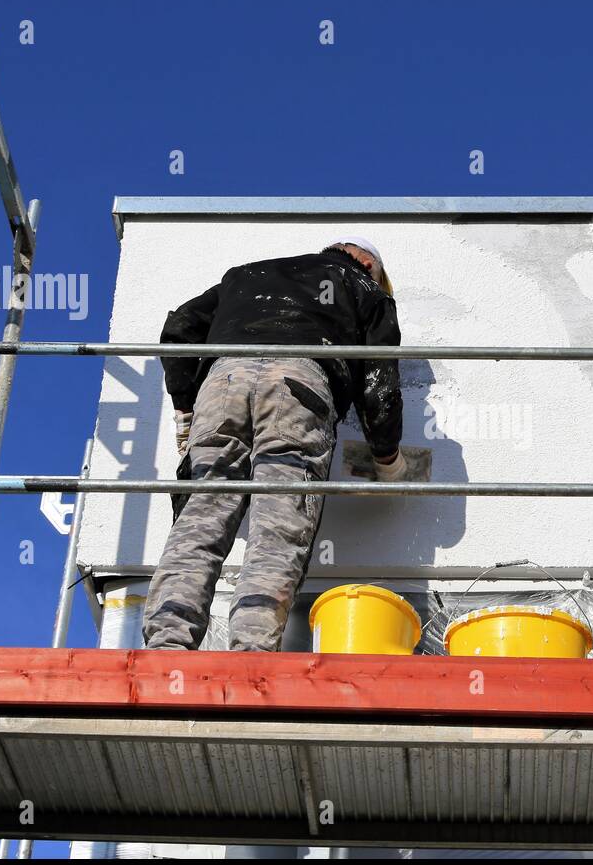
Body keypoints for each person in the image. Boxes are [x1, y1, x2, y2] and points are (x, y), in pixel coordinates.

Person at [144, 237, 406, 652]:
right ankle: (251, 652)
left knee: (202, 515)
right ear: (369, 263)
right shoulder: (363, 286)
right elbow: (379, 379)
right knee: (279, 521)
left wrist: (185, 408)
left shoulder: (244, 276)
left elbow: (178, 329)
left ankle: (167, 644)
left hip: (222, 382)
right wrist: (387, 457)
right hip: (297, 384)